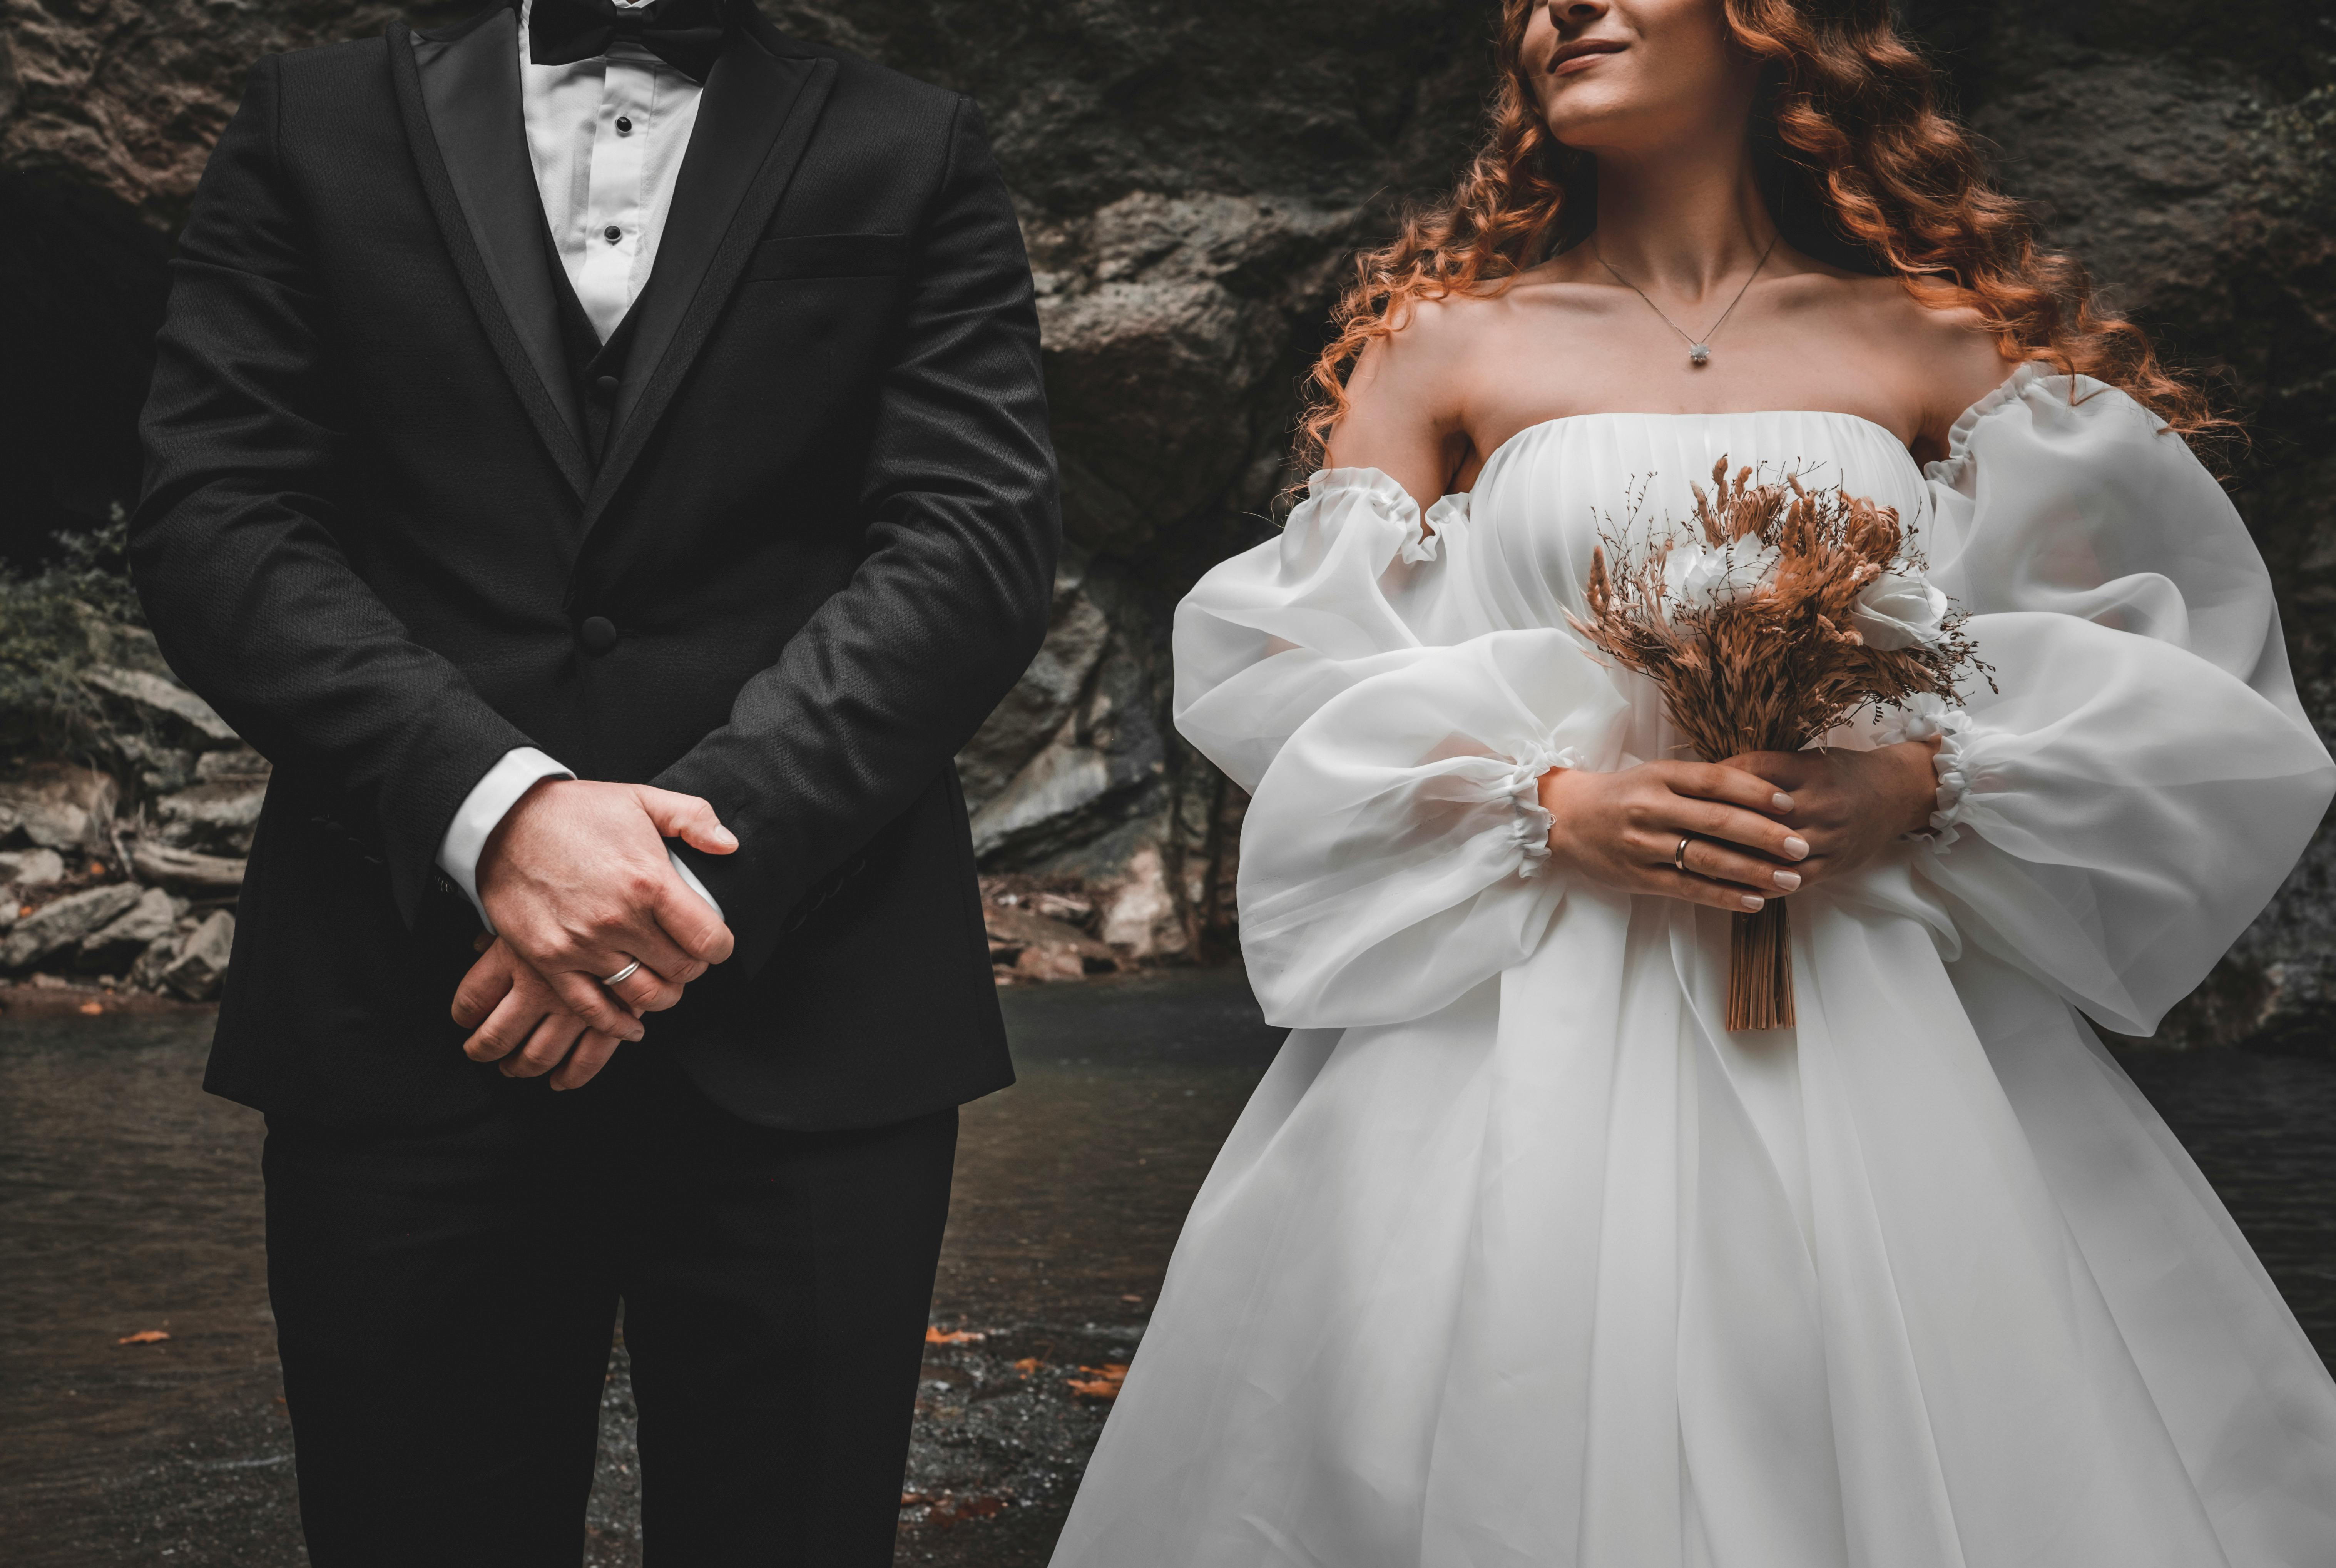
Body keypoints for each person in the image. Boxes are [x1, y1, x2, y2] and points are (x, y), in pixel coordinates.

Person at [1051, 1, 2336, 1563]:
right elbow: (1295, 670)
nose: (1561, 11)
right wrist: (1549, 801)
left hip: (1864, 978)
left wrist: (1919, 781)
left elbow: (2165, 656)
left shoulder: (1933, 340)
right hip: (1517, 997)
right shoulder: (1448, 344)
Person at [130, 0, 1058, 1560]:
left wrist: (673, 880)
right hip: (403, 1002)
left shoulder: (919, 146)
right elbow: (217, 515)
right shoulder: (305, 123)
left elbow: (971, 548)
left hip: (816, 1013)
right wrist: (496, 807)